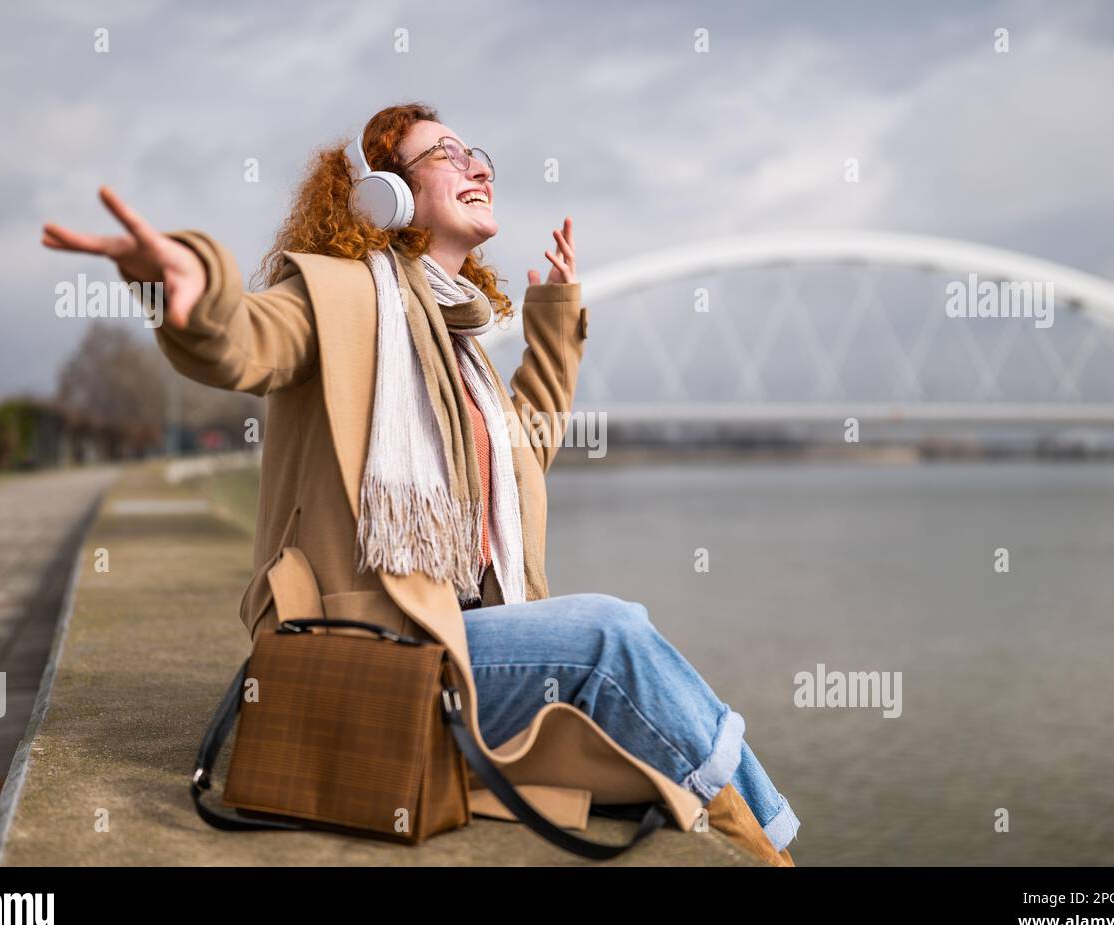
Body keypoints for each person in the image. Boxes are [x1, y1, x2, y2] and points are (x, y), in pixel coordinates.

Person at [41, 102, 799, 865]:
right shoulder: (335, 298)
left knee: (624, 694)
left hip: (455, 648)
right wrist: (187, 284)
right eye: (446, 153)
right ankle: (766, 847)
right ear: (386, 197)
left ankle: (764, 840)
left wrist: (556, 322)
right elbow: (243, 342)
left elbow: (524, 449)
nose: (477, 166)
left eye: (478, 153)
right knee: (612, 636)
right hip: (370, 660)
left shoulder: (456, 353)